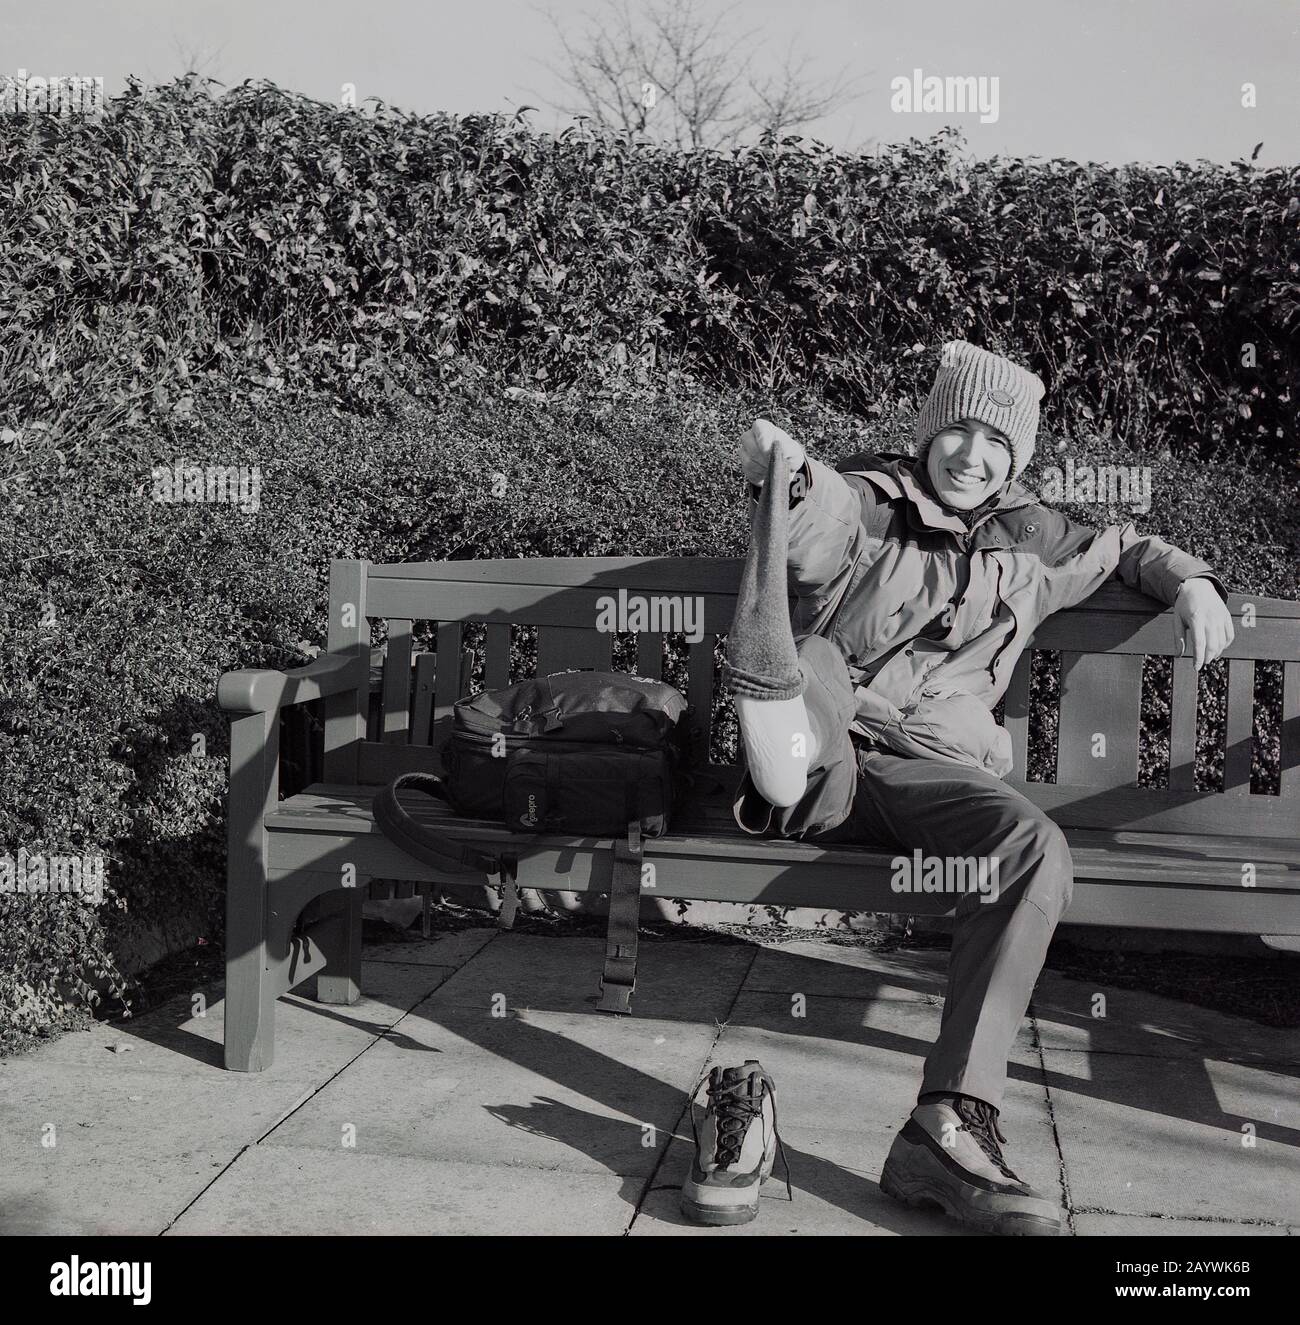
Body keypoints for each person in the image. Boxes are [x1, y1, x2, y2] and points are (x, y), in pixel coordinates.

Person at [680, 339, 1234, 1234]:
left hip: (931, 773)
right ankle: (783, 752)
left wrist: (1193, 582)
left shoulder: (1038, 535)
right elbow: (820, 517)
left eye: (996, 442)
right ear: (931, 428)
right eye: (958, 429)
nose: (971, 454)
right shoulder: (870, 497)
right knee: (814, 659)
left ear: (1018, 456)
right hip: (835, 748)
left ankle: (947, 1121)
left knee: (1033, 845)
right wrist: (787, 476)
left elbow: (1127, 546)